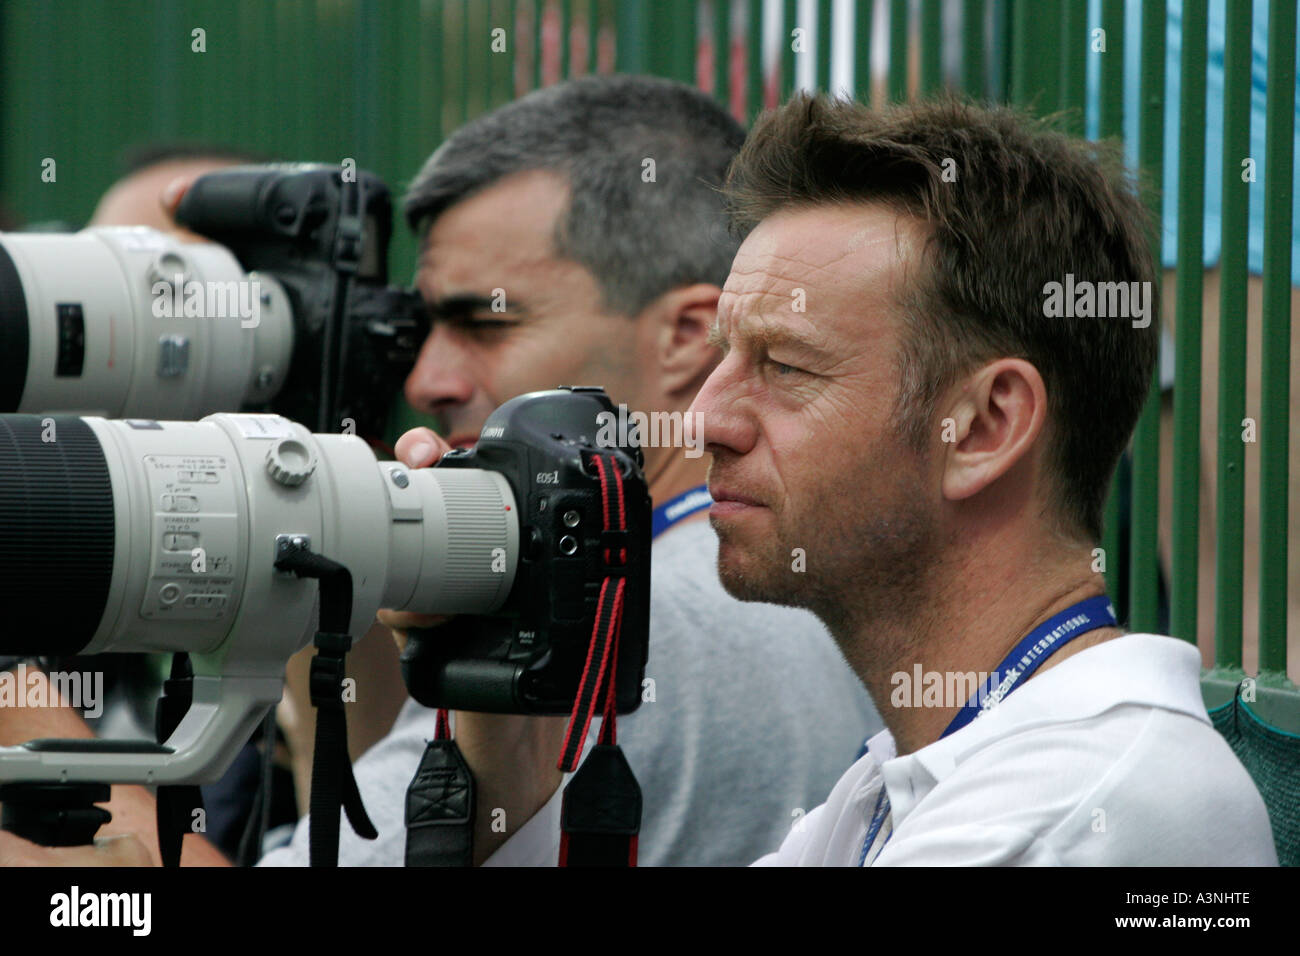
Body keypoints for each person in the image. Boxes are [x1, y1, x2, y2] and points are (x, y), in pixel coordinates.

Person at [0, 76, 880, 867]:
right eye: (422, 329)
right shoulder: (766, 582)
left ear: (689, 335)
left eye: (485, 324)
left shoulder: (618, 624)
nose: (426, 379)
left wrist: (15, 702)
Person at [400, 94, 1276, 867]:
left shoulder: (1070, 807)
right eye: (721, 360)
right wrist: (500, 700)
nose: (704, 420)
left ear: (985, 426)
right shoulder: (904, 779)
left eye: (784, 367)